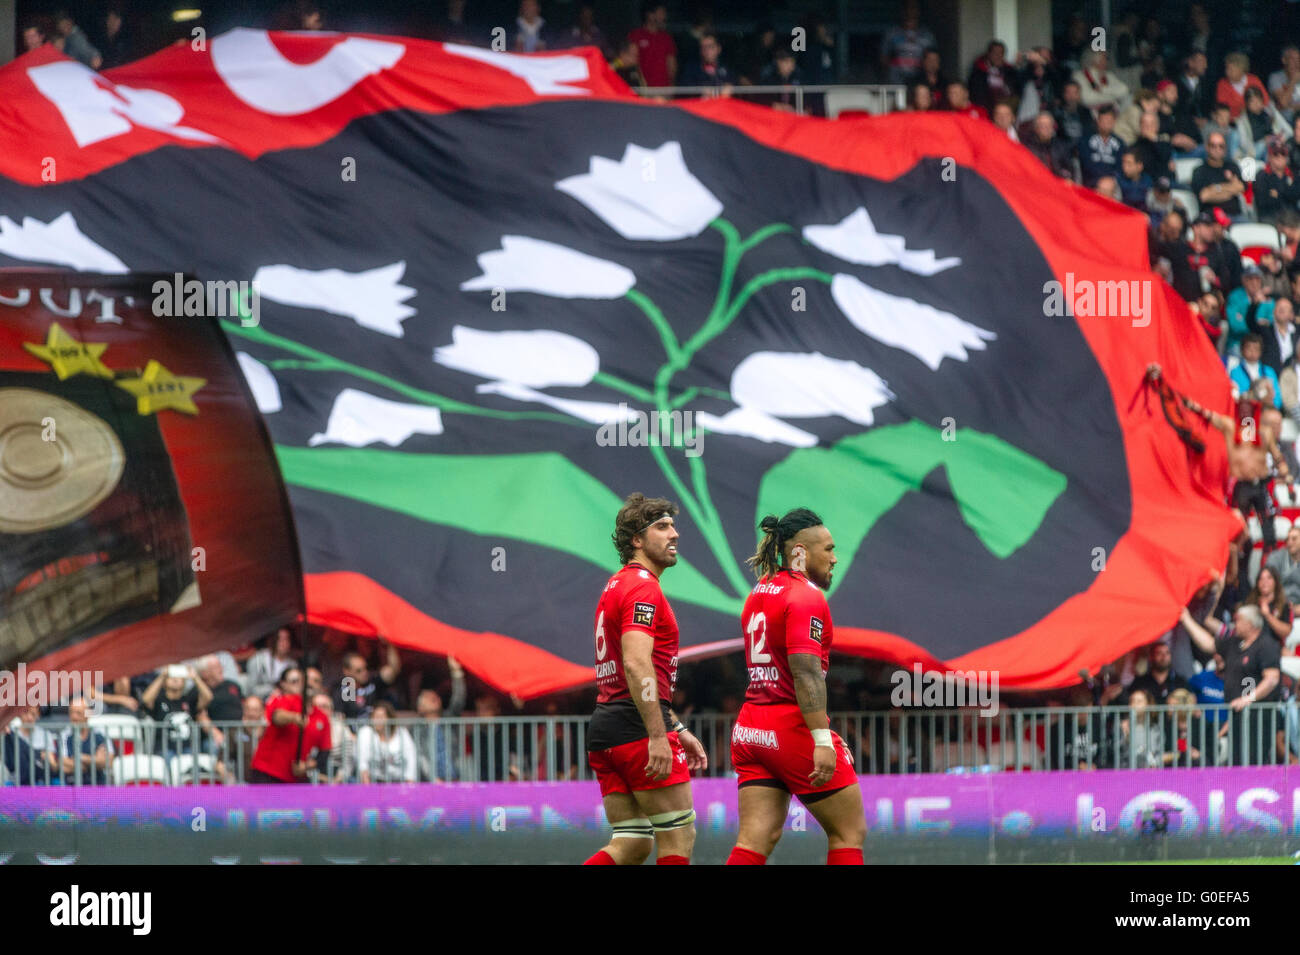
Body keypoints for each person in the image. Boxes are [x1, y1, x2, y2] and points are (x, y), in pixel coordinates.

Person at [727, 508, 864, 866]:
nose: (835, 558)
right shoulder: (806, 596)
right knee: (849, 832)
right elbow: (805, 673)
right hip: (789, 726)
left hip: (751, 727)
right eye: (829, 549)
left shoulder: (759, 591)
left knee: (756, 839)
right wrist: (820, 737)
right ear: (800, 550)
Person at [583, 494, 706, 866]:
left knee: (633, 843)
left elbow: (628, 671)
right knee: (679, 837)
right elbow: (637, 666)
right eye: (662, 526)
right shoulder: (643, 588)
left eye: (673, 525)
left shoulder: (617, 584)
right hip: (637, 728)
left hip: (608, 726)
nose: (675, 534)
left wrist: (676, 726)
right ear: (636, 540)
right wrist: (657, 734)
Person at [1181, 597, 1282, 765]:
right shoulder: (1234, 643)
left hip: (1258, 716)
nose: (1235, 624)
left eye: (1238, 620)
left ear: (1251, 624)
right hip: (1236, 713)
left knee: (1253, 759)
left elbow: (1272, 679)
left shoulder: (1266, 645)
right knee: (1236, 759)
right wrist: (1186, 620)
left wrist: (1248, 698)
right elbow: (1209, 644)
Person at [249, 666, 331, 783]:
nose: (311, 684)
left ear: (321, 687)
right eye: (307, 680)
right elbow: (277, 716)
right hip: (267, 772)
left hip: (294, 778)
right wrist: (294, 717)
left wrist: (306, 766)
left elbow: (324, 753)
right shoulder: (287, 700)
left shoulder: (322, 717)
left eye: (316, 681)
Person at [140, 664, 211, 758]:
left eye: (179, 678)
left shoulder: (189, 700)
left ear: (184, 682)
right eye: (171, 677)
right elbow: (146, 699)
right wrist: (162, 676)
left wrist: (195, 677)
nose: (175, 679)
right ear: (165, 681)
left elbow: (208, 697)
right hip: (164, 748)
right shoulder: (159, 700)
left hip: (187, 748)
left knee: (193, 761)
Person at [333, 640, 401, 719]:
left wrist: (390, 644)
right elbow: (339, 717)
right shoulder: (340, 690)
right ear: (347, 672)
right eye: (358, 671)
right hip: (352, 730)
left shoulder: (373, 681)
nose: (364, 673)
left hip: (375, 729)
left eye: (365, 668)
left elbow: (393, 669)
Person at [54, 696, 112, 785]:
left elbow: (108, 762)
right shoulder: (64, 735)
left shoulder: (100, 734)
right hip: (72, 787)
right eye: (71, 713)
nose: (74, 717)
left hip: (98, 787)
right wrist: (95, 762)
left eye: (78, 713)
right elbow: (63, 764)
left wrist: (81, 758)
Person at [356, 700, 417, 783]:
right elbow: (363, 762)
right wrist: (367, 788)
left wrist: (409, 785)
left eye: (381, 717)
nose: (377, 720)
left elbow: (411, 757)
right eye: (375, 717)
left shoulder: (402, 732)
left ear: (389, 718)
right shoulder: (366, 733)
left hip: (399, 782)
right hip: (375, 782)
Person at [880, 0, 934, 86]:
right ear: (902, 11)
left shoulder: (927, 35)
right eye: (907, 8)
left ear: (919, 11)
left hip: (919, 80)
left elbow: (932, 60)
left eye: (913, 8)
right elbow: (884, 58)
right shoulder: (892, 33)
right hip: (896, 80)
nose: (910, 12)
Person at [1192, 131, 1245, 218]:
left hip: (1235, 216)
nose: (1217, 149)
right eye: (1213, 146)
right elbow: (1204, 196)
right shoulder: (1199, 171)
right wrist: (1230, 189)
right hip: (1211, 219)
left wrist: (1215, 189)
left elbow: (1240, 188)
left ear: (1225, 149)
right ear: (1207, 147)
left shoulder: (1232, 166)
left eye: (1221, 146)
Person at [627, 2, 675, 89]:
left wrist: (672, 87)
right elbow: (632, 61)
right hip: (642, 89)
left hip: (664, 90)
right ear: (650, 15)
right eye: (661, 13)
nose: (664, 17)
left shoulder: (666, 38)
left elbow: (671, 63)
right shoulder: (636, 35)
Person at [1255, 139, 1300, 223]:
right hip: (1271, 216)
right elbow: (1263, 201)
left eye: (1283, 154)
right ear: (1269, 157)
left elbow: (1296, 194)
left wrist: (1278, 193)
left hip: (1293, 215)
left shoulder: (1293, 174)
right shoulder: (1262, 175)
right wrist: (1287, 193)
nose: (1279, 157)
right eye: (1275, 154)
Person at [1079, 105, 1126, 188]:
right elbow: (1085, 163)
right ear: (1098, 121)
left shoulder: (1120, 143)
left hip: (1112, 184)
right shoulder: (1086, 140)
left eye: (1109, 121)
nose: (1106, 124)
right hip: (1091, 182)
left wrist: (1110, 180)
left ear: (1114, 122)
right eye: (1103, 121)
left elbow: (1120, 167)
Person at [247, 627, 297, 700]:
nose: (284, 643)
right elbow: (251, 689)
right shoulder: (258, 660)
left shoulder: (293, 665)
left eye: (287, 639)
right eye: (280, 639)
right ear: (272, 641)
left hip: (286, 702)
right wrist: (272, 690)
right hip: (263, 703)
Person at [1216, 52, 1269, 120]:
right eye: (1226, 68)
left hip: (1257, 119)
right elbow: (1222, 109)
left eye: (1231, 69)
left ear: (1241, 69)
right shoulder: (1222, 84)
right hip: (1233, 123)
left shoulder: (1254, 79)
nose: (1227, 72)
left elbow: (1265, 100)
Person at [967, 41, 1016, 114]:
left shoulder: (1010, 71)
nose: (998, 56)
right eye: (995, 53)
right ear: (989, 54)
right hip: (987, 107)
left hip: (1008, 106)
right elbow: (977, 94)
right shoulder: (979, 71)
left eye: (1001, 53)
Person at [1249, 565, 1294, 645]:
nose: (1264, 582)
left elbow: (1286, 632)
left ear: (1275, 582)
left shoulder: (1284, 605)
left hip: (1273, 648)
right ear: (1257, 583)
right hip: (1251, 646)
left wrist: (1267, 615)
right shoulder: (1252, 603)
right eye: (1261, 578)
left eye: (1269, 578)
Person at [1266, 525, 1300, 605]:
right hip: (1277, 603)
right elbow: (1267, 583)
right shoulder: (1275, 558)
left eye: (1294, 539)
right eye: (1287, 539)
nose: (1289, 542)